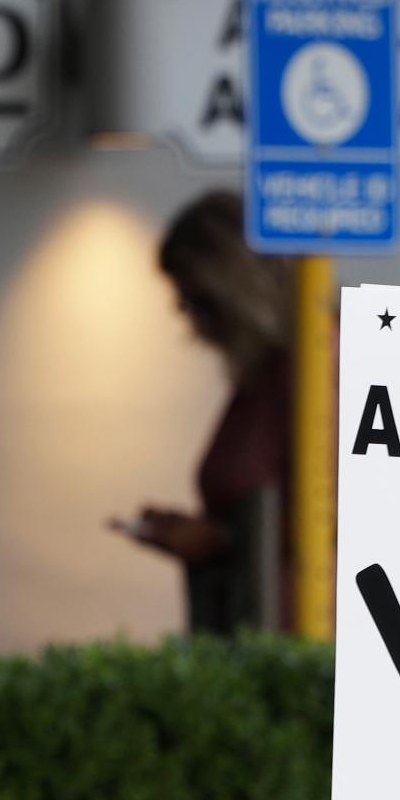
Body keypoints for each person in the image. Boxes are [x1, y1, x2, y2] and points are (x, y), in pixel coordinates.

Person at [114, 189, 295, 635]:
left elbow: (335, 519)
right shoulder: (261, 379)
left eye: (197, 303)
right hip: (252, 624)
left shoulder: (307, 371)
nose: (190, 323)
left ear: (233, 292)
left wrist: (221, 540)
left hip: (295, 637)